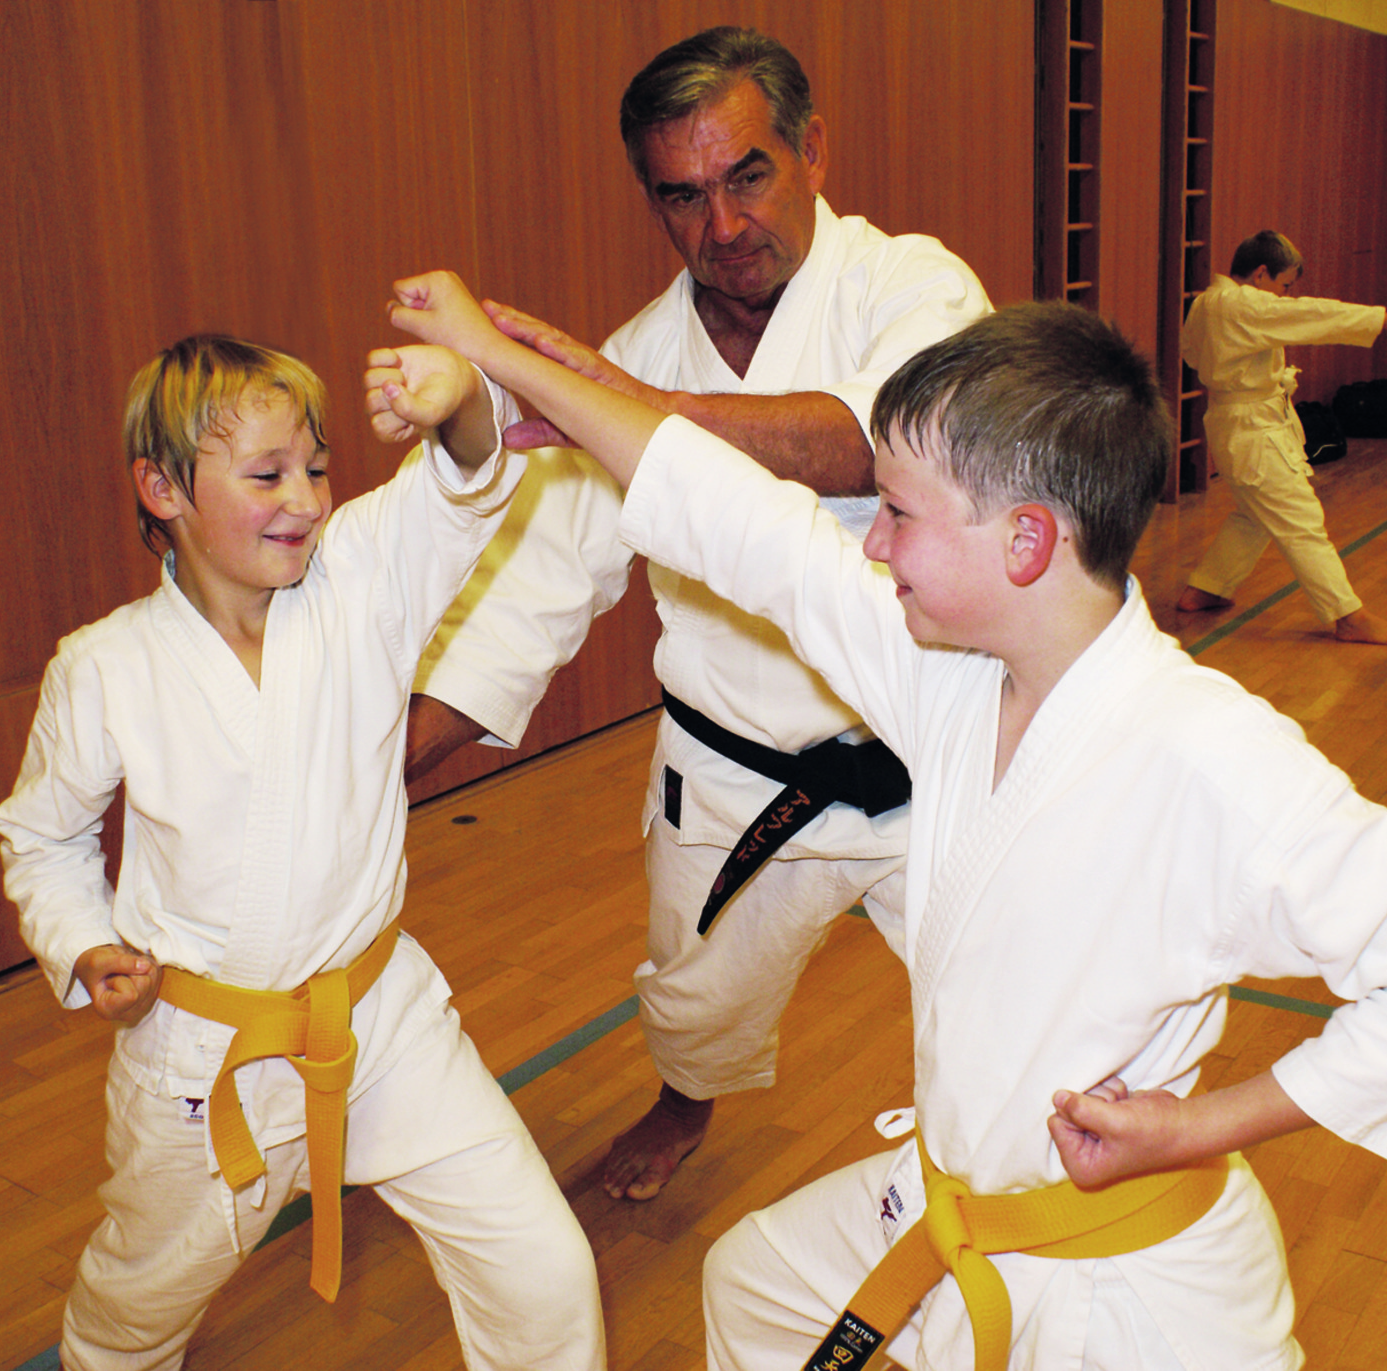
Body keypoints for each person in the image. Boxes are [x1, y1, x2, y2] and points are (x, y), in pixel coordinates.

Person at [386, 272, 1387, 1370]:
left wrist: (1199, 1125)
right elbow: (754, 531)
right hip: (957, 1198)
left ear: (1026, 541)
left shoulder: (1207, 757)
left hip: (1132, 1289)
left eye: (893, 512)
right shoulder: (948, 676)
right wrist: (522, 368)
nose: (872, 543)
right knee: (754, 1283)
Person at [404, 26, 992, 1201]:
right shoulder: (630, 357)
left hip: (931, 753)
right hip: (730, 772)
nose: (721, 228)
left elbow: (879, 437)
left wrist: (626, 409)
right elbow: (533, 596)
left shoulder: (911, 285)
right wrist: (376, 767)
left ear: (811, 149)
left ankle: (1012, 1166)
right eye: (681, 197)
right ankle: (683, 1105)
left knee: (1011, 988)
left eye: (747, 176)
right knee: (690, 1001)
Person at [0, 336, 604, 1371]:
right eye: (267, 473)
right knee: (141, 1299)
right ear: (162, 488)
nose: (308, 500)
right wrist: (85, 947)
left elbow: (458, 483)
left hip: (378, 1014)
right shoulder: (104, 668)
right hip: (205, 1050)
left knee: (540, 1265)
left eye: (316, 468)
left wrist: (457, 404)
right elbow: (41, 837)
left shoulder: (360, 581)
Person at [1174, 230, 1387, 645]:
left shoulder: (1205, 304)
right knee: (1302, 522)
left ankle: (1208, 587)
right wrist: (1380, 319)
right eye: (1283, 286)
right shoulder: (1244, 303)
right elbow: (1310, 316)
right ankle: (1348, 616)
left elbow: (1191, 355)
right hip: (1253, 428)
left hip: (1233, 420)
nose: (1283, 298)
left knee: (1255, 513)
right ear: (1261, 273)